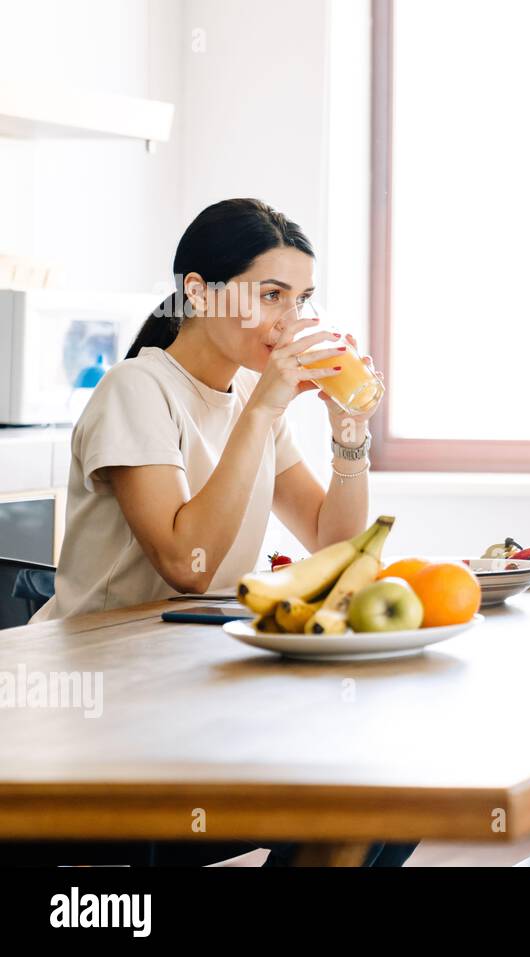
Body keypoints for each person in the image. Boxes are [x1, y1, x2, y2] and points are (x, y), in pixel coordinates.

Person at [24, 198, 412, 867]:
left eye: (302, 299)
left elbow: (337, 548)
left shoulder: (249, 405)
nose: (290, 321)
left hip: (203, 682)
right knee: (346, 786)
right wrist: (263, 409)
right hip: (111, 700)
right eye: (271, 295)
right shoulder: (137, 388)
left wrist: (349, 437)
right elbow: (187, 562)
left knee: (395, 781)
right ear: (198, 293)